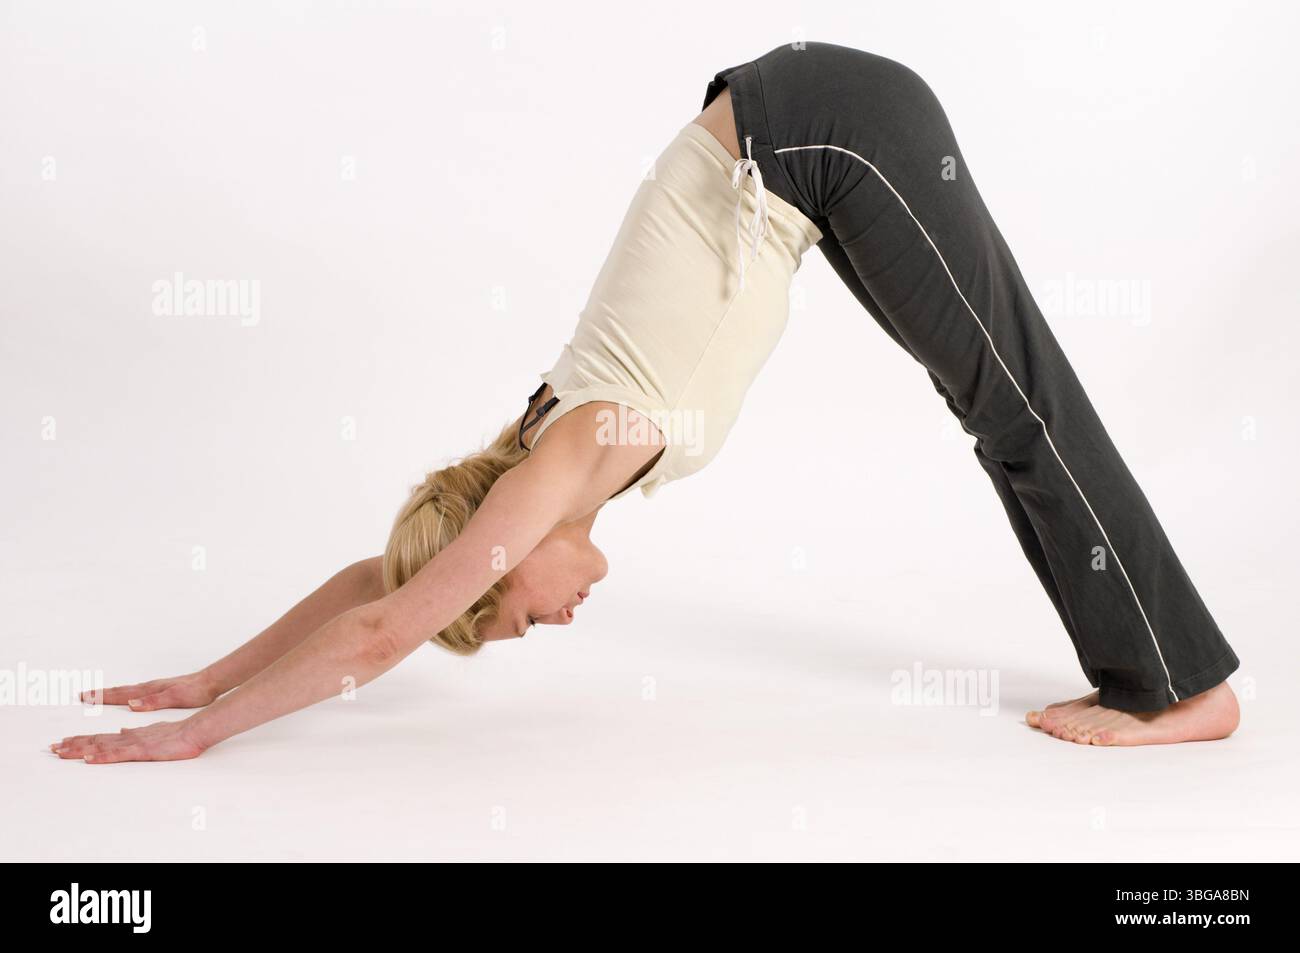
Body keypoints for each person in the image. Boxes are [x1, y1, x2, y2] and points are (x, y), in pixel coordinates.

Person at [53, 42, 1240, 763]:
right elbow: (385, 581)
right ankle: (1143, 669)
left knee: (1012, 389)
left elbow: (383, 629)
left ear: (506, 550)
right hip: (809, 143)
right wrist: (205, 673)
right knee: (991, 401)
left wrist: (193, 735)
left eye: (513, 614)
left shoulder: (561, 460)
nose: (550, 624)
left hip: (830, 132)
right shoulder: (542, 463)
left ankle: (1183, 689)